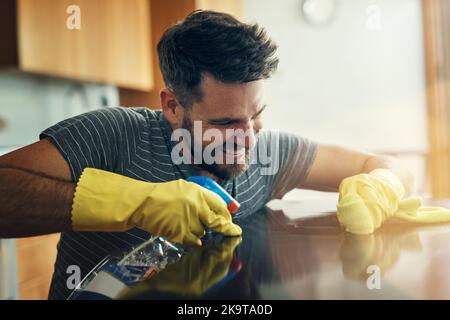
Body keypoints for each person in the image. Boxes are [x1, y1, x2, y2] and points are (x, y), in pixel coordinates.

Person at [0, 10, 413, 299]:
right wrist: (135, 203)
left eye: (257, 114)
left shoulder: (269, 153)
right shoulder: (113, 135)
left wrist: (381, 185)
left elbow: (381, 165)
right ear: (172, 106)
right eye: (227, 123)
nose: (248, 137)